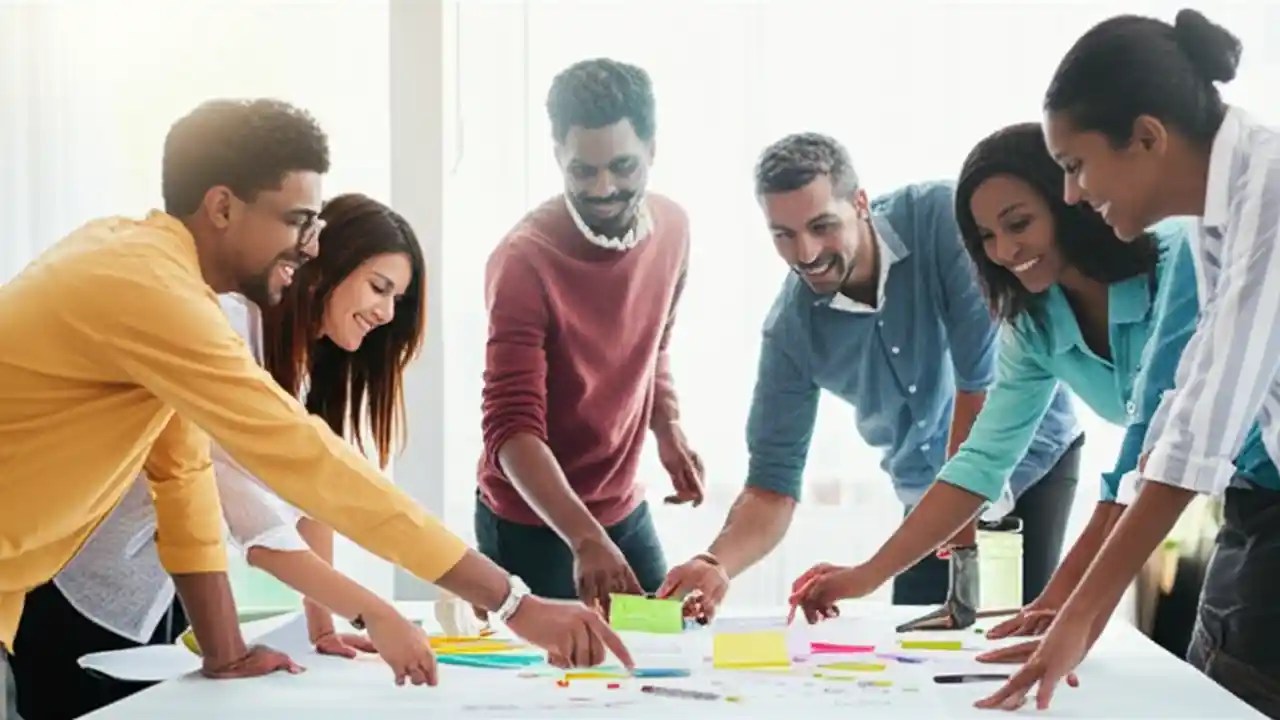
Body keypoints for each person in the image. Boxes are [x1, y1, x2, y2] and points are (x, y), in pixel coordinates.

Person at [0, 98, 632, 718]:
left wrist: (225, 652)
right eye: (299, 220)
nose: (310, 246)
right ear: (222, 206)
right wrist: (513, 604)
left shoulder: (151, 278)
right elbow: (309, 465)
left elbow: (182, 470)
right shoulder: (154, 294)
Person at [10, 194, 440, 718]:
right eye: (379, 287)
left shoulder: (305, 358)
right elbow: (252, 521)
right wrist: (373, 613)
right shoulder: (226, 327)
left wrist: (323, 624)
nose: (387, 312)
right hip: (80, 583)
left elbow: (309, 498)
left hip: (166, 583)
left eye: (399, 298)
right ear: (326, 266)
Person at [978, 10, 1280, 717]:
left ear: (1147, 137)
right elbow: (1184, 395)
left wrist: (1082, 615)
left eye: (1075, 166)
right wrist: (1071, 605)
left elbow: (1207, 422)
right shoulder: (1219, 207)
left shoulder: (1269, 190)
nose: (1074, 194)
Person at [784, 124, 1200, 635]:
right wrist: (865, 576)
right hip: (1241, 493)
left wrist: (1063, 612)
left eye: (1018, 223)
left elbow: (1145, 458)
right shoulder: (1034, 322)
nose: (1004, 249)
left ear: (1068, 200)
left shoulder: (1178, 261)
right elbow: (980, 462)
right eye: (986, 237)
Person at [660, 132, 1083, 620]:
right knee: (916, 661)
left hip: (1030, 454)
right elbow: (772, 484)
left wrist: (957, 561)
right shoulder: (791, 331)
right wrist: (718, 562)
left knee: (1020, 637)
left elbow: (978, 391)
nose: (806, 253)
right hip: (929, 491)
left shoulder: (942, 223)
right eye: (784, 235)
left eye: (822, 225)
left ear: (860, 203)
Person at [476, 58, 702, 612]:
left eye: (623, 166)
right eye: (583, 171)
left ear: (652, 148)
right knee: (551, 688)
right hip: (533, 519)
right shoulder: (523, 260)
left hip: (621, 506)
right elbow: (509, 429)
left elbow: (654, 345)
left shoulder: (672, 229)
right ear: (558, 156)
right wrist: (583, 538)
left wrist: (667, 427)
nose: (604, 189)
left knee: (658, 658)